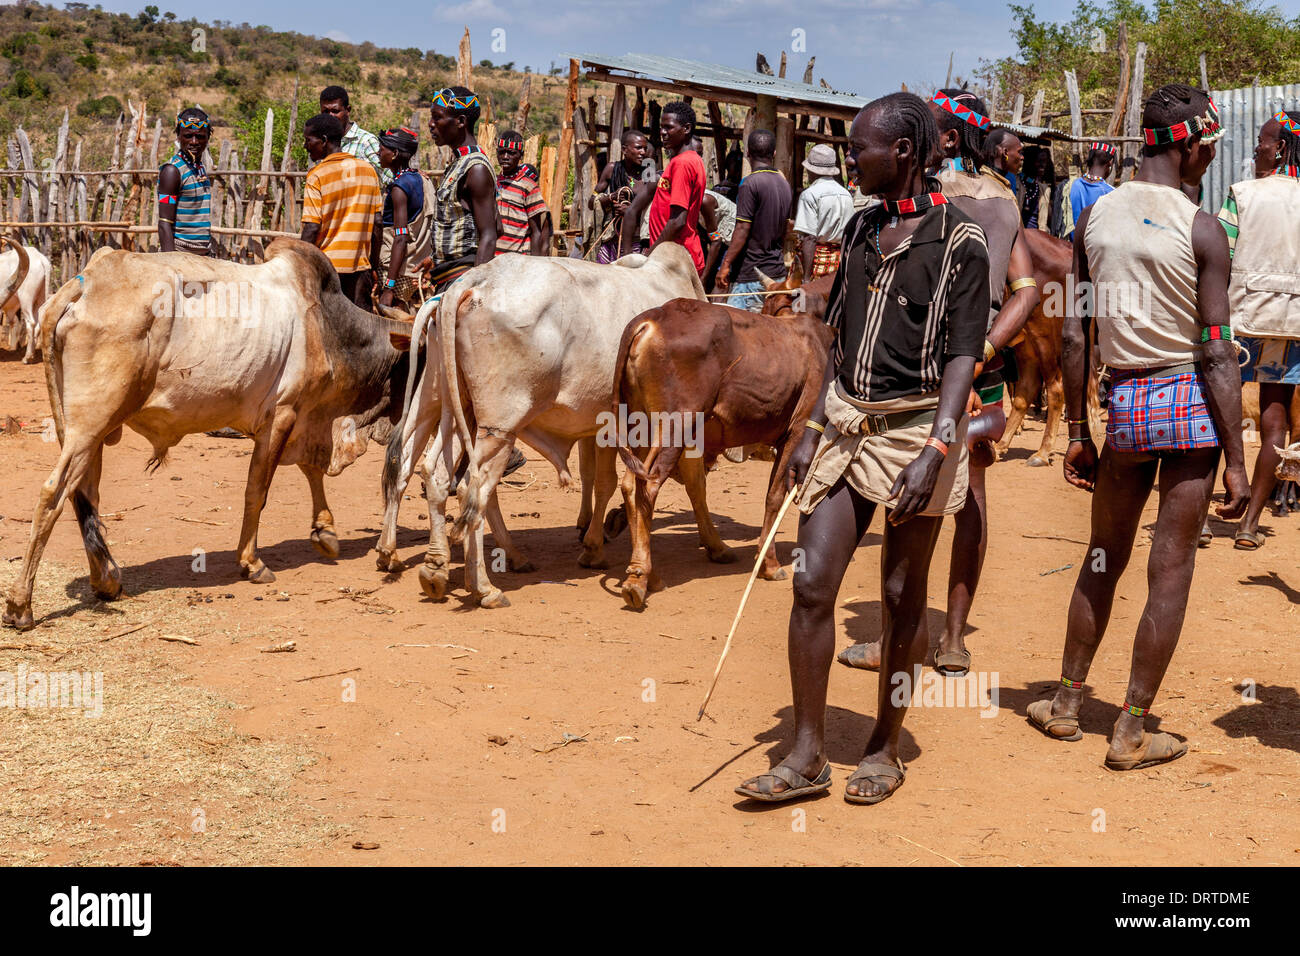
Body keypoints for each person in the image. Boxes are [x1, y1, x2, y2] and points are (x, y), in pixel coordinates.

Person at [735, 92, 989, 805]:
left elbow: (965, 358)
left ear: (903, 152)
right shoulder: (856, 229)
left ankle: (884, 746)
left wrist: (937, 451)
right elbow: (839, 346)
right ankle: (808, 754)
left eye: (860, 149)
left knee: (903, 601)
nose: (851, 159)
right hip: (846, 423)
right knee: (812, 583)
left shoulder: (960, 242)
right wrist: (810, 430)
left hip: (917, 431)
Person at [1030, 84, 1248, 770]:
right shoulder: (1202, 227)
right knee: (1170, 568)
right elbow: (1215, 351)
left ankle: (1065, 703)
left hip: (1123, 406)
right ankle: (1130, 729)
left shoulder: (1093, 219)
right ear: (1186, 145)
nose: (1210, 159)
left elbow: (1074, 332)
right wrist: (1237, 460)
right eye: (1208, 147)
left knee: (1103, 552)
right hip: (1187, 404)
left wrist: (1075, 428)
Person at [838, 90, 1041, 676]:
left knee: (903, 504)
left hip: (921, 378)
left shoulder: (927, 203)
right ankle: (951, 638)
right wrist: (984, 351)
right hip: (984, 367)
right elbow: (1025, 292)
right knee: (969, 496)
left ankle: (897, 635)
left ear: (943, 140)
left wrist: (964, 356)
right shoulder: (1005, 199)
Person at [1224, 110, 1300, 549]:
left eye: (1262, 143)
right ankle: (1250, 525)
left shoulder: (1243, 195)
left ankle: (1199, 521)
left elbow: (1218, 254)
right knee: (1275, 424)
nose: (1256, 150)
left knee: (1222, 417)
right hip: (1290, 329)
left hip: (1242, 321)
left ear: (1281, 149)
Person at [300, 112, 383, 308]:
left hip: (327, 271)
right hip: (360, 270)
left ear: (324, 140)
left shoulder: (317, 176)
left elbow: (312, 228)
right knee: (361, 332)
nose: (305, 146)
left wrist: (299, 265)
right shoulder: (368, 170)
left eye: (308, 140)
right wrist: (373, 265)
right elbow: (377, 223)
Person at [424, 86, 498, 292]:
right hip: (448, 278)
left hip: (461, 282)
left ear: (461, 121)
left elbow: (490, 235)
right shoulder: (460, 163)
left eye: (437, 117)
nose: (431, 124)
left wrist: (472, 291)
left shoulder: (476, 168)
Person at [717, 129, 792, 309]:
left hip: (751, 276)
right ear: (774, 153)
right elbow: (784, 229)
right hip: (776, 273)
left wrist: (725, 264)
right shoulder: (784, 184)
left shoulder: (749, 184)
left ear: (748, 153)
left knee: (738, 332)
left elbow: (742, 228)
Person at [633, 101, 706, 274]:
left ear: (686, 129)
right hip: (673, 256)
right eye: (661, 127)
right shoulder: (689, 160)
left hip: (674, 260)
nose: (663, 133)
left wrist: (652, 254)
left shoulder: (683, 163)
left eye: (669, 128)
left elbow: (678, 221)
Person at [375, 126, 431, 311]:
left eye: (382, 150)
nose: (378, 153)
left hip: (397, 268)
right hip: (413, 265)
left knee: (394, 315)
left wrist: (389, 287)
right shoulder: (421, 179)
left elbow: (400, 237)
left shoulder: (399, 188)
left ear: (394, 153)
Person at [793, 143, 855, 279]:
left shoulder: (809, 195)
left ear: (811, 170)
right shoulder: (846, 194)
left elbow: (809, 238)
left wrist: (806, 279)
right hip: (839, 262)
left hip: (815, 263)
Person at [157, 107, 212, 256]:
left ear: (208, 137)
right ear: (178, 137)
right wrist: (172, 264)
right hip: (180, 254)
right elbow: (164, 223)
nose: (194, 142)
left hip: (201, 255)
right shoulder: (172, 171)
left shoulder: (199, 168)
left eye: (200, 136)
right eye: (188, 136)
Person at [594, 129, 651, 262]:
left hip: (637, 241)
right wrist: (611, 197)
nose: (643, 152)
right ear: (624, 150)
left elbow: (656, 207)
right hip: (612, 240)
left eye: (644, 148)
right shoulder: (612, 169)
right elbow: (592, 201)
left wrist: (632, 211)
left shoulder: (649, 174)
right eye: (638, 148)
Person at [494, 129, 552, 257]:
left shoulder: (528, 186)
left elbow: (536, 231)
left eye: (511, 153)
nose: (505, 156)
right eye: (501, 152)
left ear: (521, 155)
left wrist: (534, 265)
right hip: (493, 258)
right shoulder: (492, 182)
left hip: (517, 260)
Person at [320, 85, 389, 187]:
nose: (330, 116)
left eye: (335, 111)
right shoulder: (323, 142)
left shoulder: (366, 141)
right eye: (325, 112)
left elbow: (389, 175)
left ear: (348, 110)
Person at [1060, 142, 1116, 240]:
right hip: (1095, 252)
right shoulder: (1111, 193)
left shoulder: (1070, 185)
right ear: (1110, 162)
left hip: (1069, 248)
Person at [1020, 146, 1062, 233]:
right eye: (1039, 161)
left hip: (1037, 238)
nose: (1043, 165)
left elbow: (1049, 218)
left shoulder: (1044, 189)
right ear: (1030, 162)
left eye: (1044, 162)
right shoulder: (1016, 183)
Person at [982, 127, 1023, 197]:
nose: (1022, 157)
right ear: (1005, 153)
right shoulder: (983, 183)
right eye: (1019, 152)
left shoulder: (1010, 178)